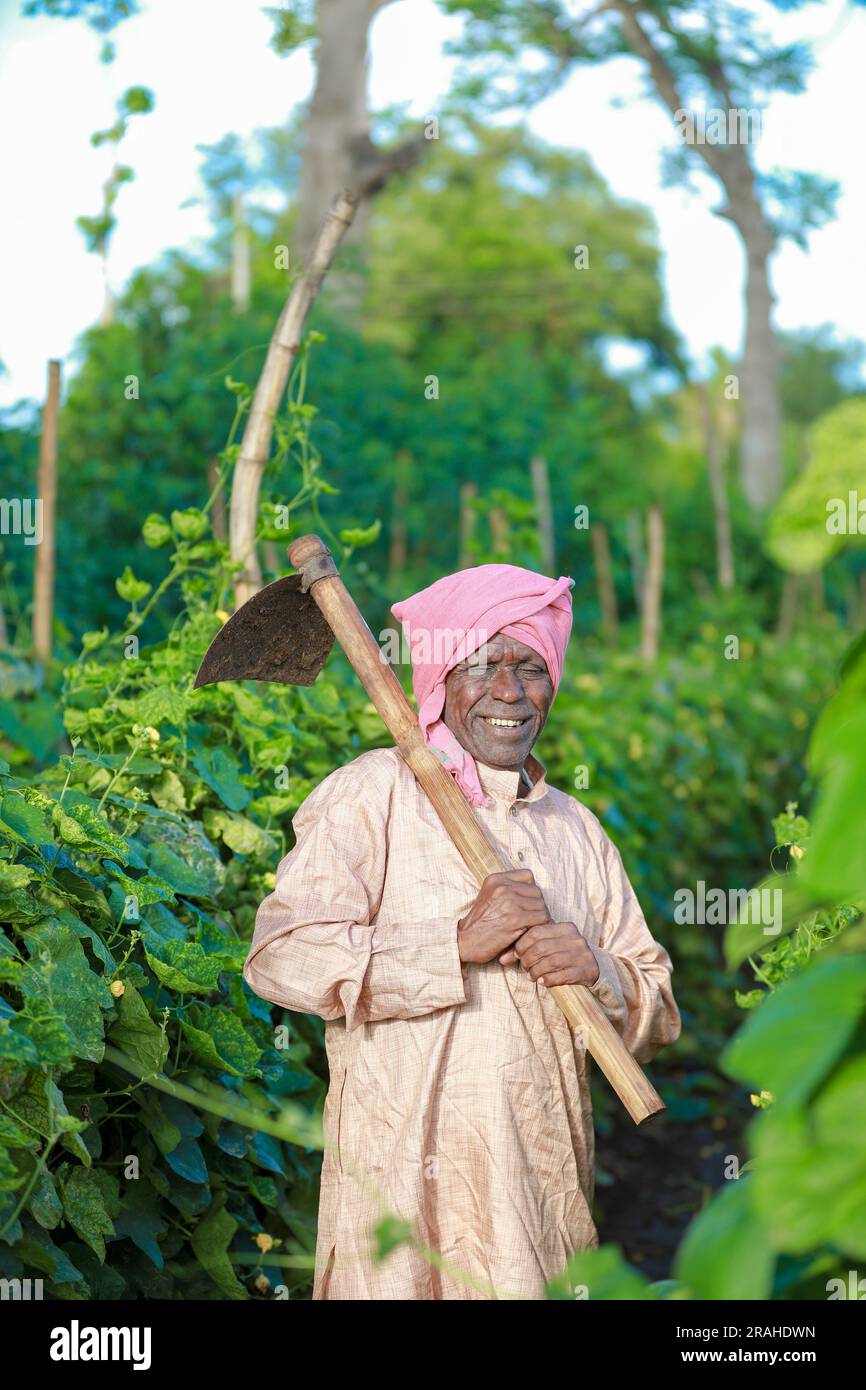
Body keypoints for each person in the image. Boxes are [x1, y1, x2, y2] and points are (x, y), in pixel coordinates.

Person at [243, 562, 681, 1300]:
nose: (510, 692)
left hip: (536, 1199)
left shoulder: (574, 831)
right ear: (442, 677)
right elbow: (280, 957)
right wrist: (451, 946)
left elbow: (658, 1007)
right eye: (482, 666)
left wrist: (598, 968)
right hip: (396, 1196)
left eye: (531, 667)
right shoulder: (371, 795)